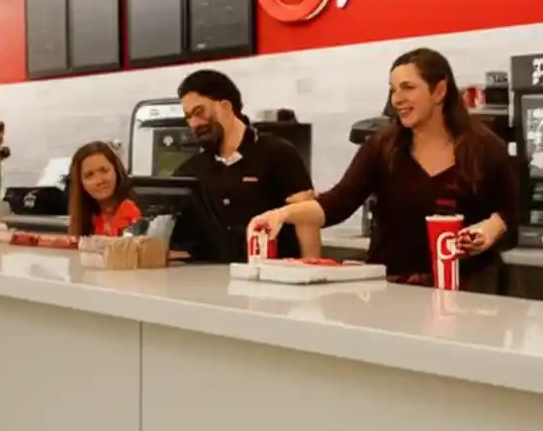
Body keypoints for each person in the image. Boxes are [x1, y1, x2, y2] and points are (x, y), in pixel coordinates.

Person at [248, 48, 518, 292]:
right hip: (394, 291)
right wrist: (282, 214)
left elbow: (513, 210)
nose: (397, 99)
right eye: (392, 90)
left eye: (408, 88)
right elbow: (338, 203)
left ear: (439, 91)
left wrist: (493, 227)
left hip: (467, 290)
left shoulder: (484, 147)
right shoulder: (382, 147)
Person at [175, 70, 319, 261]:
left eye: (199, 112)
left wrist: (313, 267)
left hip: (275, 277)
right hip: (209, 281)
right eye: (188, 117)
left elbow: (306, 218)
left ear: (226, 107)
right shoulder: (189, 172)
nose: (194, 124)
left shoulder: (278, 154)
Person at [67, 141, 142, 237]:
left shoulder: (130, 211)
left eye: (104, 170)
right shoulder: (84, 216)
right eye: (89, 175)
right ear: (80, 183)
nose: (99, 181)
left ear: (116, 171)